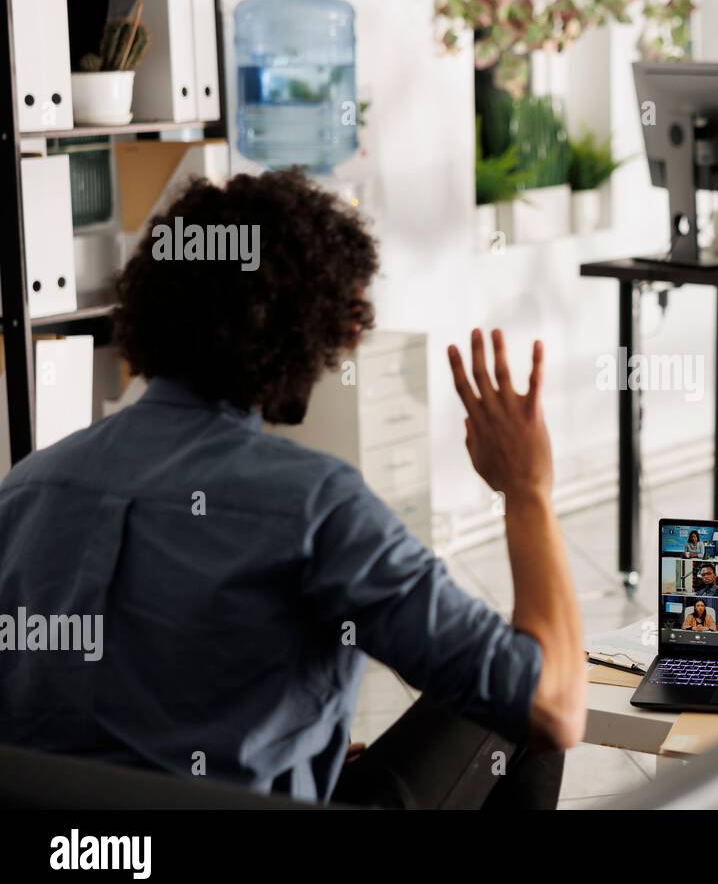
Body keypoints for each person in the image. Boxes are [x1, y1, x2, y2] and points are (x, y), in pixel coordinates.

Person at [0, 171, 586, 809]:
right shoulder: (313, 504)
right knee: (534, 675)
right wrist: (527, 488)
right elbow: (554, 709)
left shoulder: (25, 488)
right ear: (308, 325)